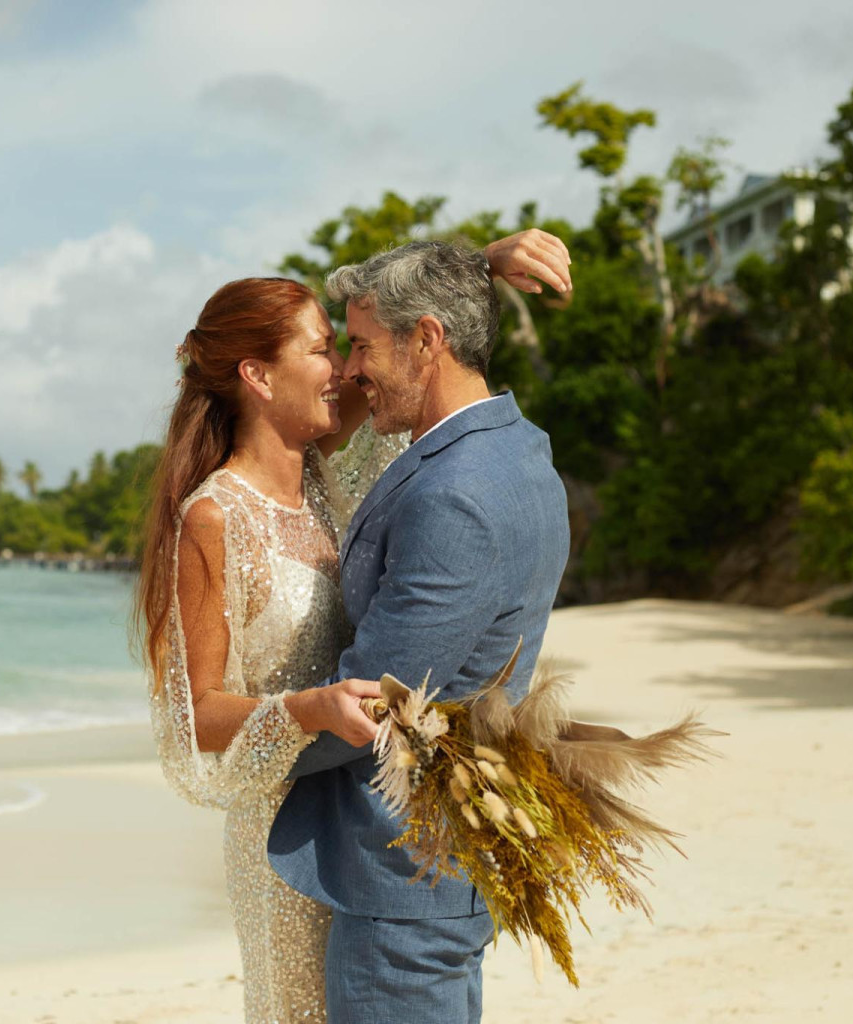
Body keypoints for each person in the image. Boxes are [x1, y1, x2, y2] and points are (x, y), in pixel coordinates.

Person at [135, 230, 571, 1023]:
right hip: (289, 827)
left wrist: (477, 268)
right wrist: (305, 709)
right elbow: (194, 714)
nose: (343, 368)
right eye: (322, 347)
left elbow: (429, 361)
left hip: (366, 823)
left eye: (347, 346)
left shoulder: (334, 481)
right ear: (257, 377)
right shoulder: (213, 516)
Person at [267, 240, 570, 1023]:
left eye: (362, 345)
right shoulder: (520, 452)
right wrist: (478, 258)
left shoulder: (454, 496)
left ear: (428, 340)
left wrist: (248, 747)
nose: (350, 371)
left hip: (402, 874)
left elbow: (376, 702)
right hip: (441, 869)